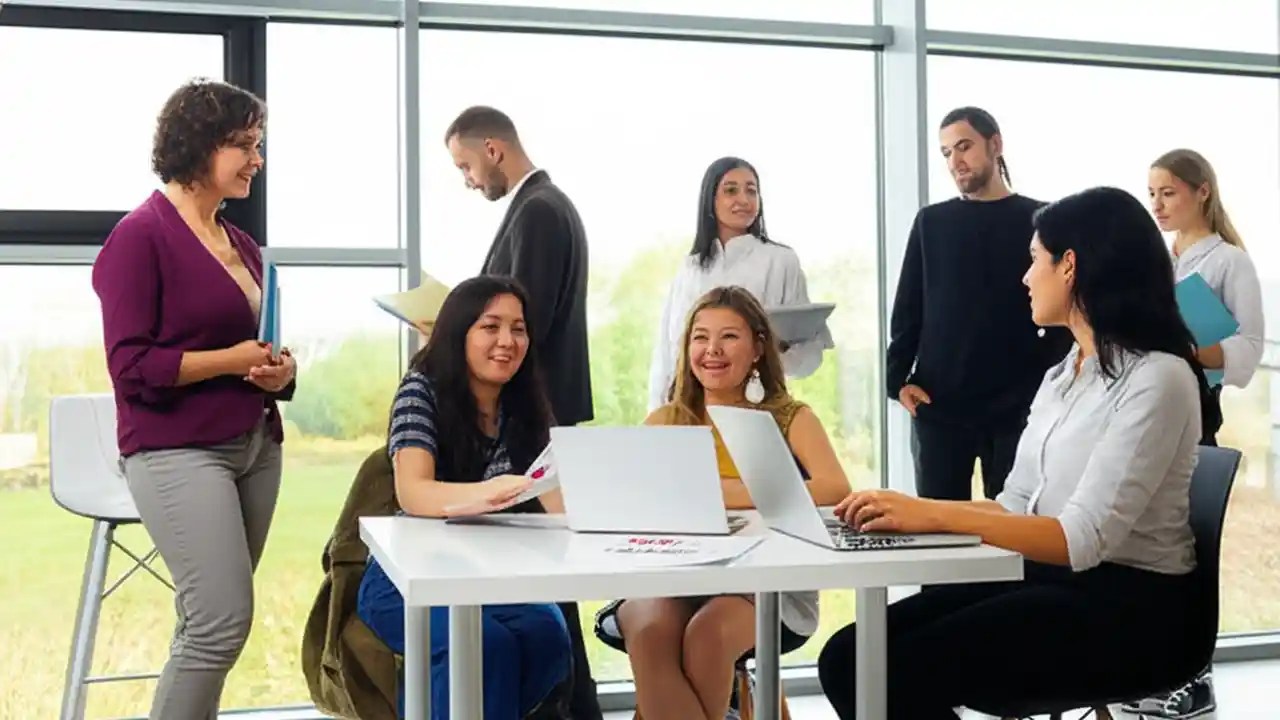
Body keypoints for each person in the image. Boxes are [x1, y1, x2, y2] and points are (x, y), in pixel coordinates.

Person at [816, 186, 1214, 720]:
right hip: (1055, 580)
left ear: (1069, 265)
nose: (1025, 278)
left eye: (1033, 260)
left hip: (1134, 607)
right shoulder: (1064, 374)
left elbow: (1080, 539)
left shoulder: (1158, 378)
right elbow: (1015, 504)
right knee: (845, 658)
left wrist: (930, 513)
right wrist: (903, 513)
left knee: (894, 668)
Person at [91, 78, 296, 719]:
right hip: (177, 451)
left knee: (208, 624)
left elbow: (260, 344)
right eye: (245, 145)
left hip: (255, 445)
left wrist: (280, 370)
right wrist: (232, 360)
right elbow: (131, 366)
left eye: (259, 145)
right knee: (219, 623)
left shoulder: (240, 243)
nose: (257, 160)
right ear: (200, 145)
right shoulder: (139, 237)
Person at [596, 286, 848, 720]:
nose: (712, 349)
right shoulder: (665, 421)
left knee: (707, 635)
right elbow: (634, 501)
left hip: (764, 584)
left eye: (729, 336)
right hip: (673, 574)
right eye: (700, 337)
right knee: (648, 626)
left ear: (757, 348)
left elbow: (835, 489)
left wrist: (720, 493)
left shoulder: (789, 417)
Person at [443, 104, 600, 719]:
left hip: (536, 417)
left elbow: (521, 318)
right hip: (544, 413)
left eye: (465, 166)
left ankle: (572, 708)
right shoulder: (544, 207)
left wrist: (459, 333)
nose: (467, 180)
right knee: (550, 580)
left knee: (549, 580)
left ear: (493, 149)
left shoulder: (538, 211)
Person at [355, 275, 572, 720]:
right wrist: (489, 491)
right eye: (490, 326)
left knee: (548, 636)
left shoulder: (526, 403)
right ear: (459, 332)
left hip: (488, 572)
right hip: (404, 575)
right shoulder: (421, 389)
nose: (507, 341)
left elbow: (559, 502)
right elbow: (414, 492)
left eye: (518, 329)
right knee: (485, 647)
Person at [1121, 149, 1265, 720]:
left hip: (1197, 412)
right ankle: (1151, 667)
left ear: (1202, 191)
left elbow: (1248, 350)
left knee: (1188, 548)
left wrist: (1188, 346)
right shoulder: (1157, 262)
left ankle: (1193, 676)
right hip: (1145, 410)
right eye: (1151, 194)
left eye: (1169, 193)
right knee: (1147, 544)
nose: (1157, 205)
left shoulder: (1230, 262)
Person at [887, 106, 1072, 502]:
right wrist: (897, 381)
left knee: (1015, 522)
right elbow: (907, 311)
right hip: (939, 404)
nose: (955, 161)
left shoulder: (1041, 220)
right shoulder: (930, 223)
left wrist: (1047, 385)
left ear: (995, 144)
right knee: (936, 526)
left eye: (964, 147)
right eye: (946, 152)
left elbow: (1063, 312)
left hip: (1018, 408)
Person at [647, 157, 831, 411]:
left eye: (751, 191)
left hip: (756, 405)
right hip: (691, 408)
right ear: (710, 200)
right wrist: (658, 414)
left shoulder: (781, 261)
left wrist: (769, 353)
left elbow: (809, 354)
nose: (743, 200)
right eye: (731, 190)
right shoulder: (690, 267)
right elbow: (667, 354)